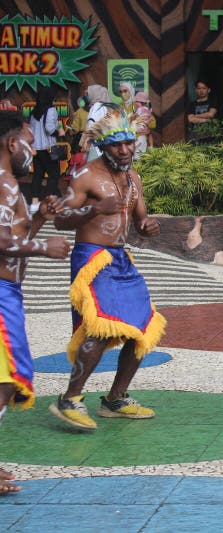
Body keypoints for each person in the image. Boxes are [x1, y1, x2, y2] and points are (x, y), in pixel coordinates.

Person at [49, 106, 166, 431]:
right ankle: (70, 398)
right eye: (118, 145)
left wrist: (146, 226)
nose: (126, 150)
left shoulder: (133, 178)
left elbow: (139, 217)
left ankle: (116, 398)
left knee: (143, 327)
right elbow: (60, 220)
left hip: (121, 258)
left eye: (129, 143)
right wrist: (95, 209)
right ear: (104, 146)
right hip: (93, 258)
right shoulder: (86, 175)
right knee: (101, 329)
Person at [0, 110, 70, 493]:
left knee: (6, 378)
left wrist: (40, 218)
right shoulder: (4, 184)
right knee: (5, 379)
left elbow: (13, 235)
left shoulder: (11, 185)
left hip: (7, 291)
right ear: (12, 144)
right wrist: (46, 247)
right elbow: (1, 241)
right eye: (29, 141)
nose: (33, 150)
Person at [29, 86, 63, 204]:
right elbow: (49, 129)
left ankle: (34, 202)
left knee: (38, 175)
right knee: (54, 174)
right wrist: (59, 131)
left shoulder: (34, 111)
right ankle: (49, 201)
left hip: (36, 148)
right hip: (49, 147)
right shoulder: (51, 110)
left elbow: (31, 130)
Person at [82, 84, 111, 162]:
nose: (85, 96)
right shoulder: (103, 107)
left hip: (95, 144)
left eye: (87, 94)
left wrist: (86, 141)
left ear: (95, 94)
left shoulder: (97, 106)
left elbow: (93, 126)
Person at [133, 92, 156, 159]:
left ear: (140, 102)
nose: (135, 103)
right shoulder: (148, 109)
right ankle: (151, 146)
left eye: (136, 101)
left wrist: (133, 117)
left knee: (138, 150)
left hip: (139, 131)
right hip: (146, 129)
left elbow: (136, 117)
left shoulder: (140, 109)